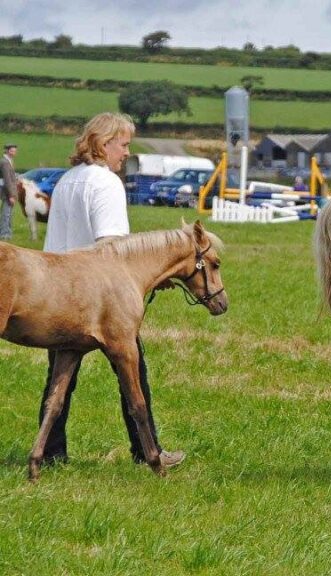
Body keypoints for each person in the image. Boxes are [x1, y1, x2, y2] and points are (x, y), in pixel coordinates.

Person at [39, 112, 185, 468]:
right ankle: (146, 451)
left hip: (58, 292)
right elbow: (114, 250)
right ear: (104, 145)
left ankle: (52, 452)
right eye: (123, 145)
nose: (127, 152)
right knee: (133, 373)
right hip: (99, 300)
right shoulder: (106, 183)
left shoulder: (67, 179)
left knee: (59, 378)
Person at [0, 143, 18, 240]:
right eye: (12, 150)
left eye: (15, 150)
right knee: (6, 214)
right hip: (7, 192)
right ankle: (4, 234)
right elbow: (7, 180)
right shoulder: (5, 162)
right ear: (7, 151)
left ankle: (7, 233)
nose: (14, 152)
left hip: (9, 191)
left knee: (9, 213)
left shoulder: (9, 161)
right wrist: (11, 195)